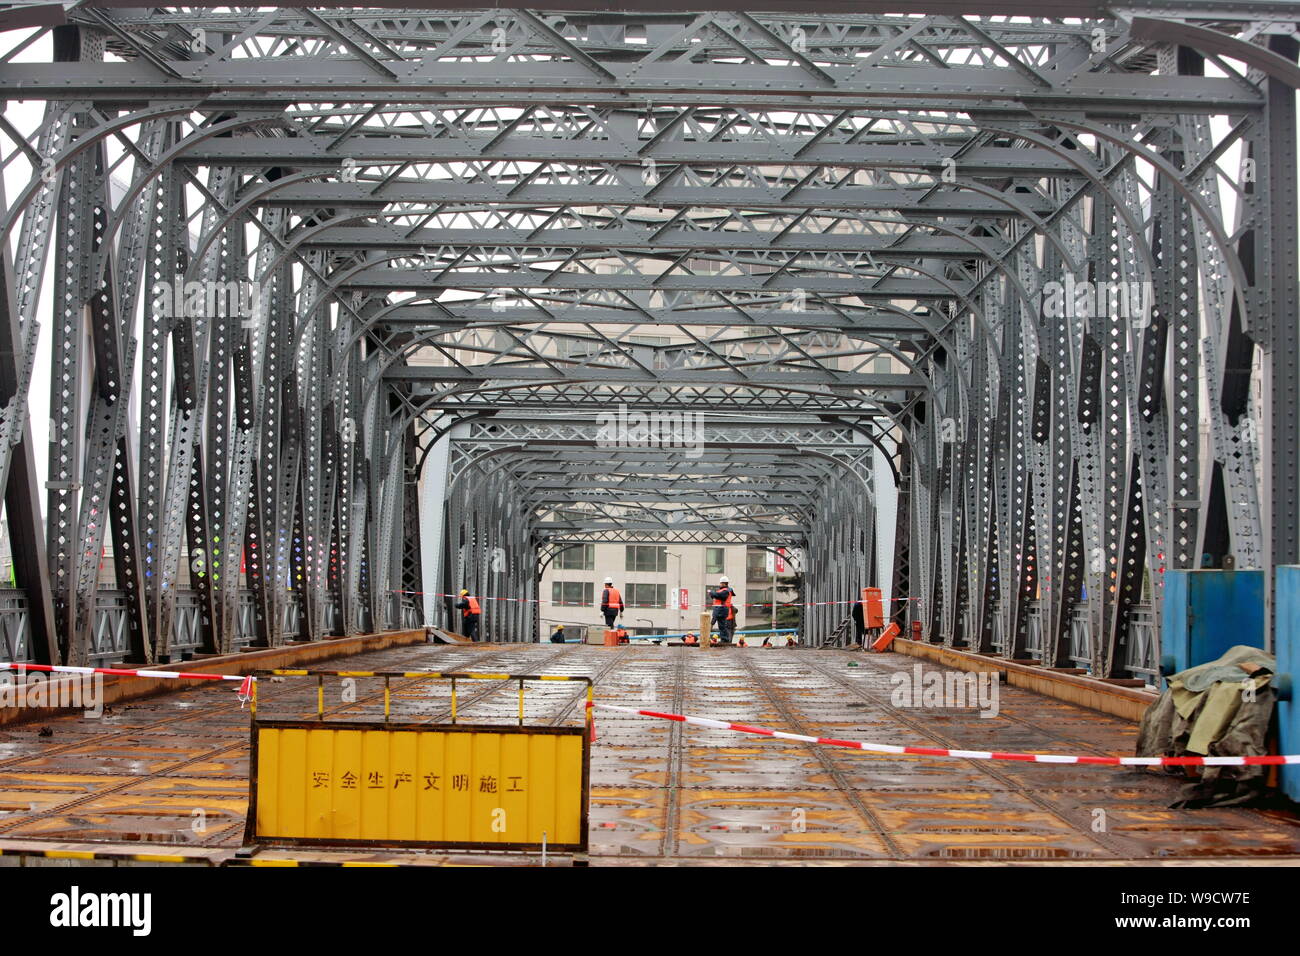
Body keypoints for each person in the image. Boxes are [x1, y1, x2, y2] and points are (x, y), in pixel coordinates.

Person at [709, 575, 737, 644]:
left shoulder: (726, 591)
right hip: (721, 609)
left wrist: (712, 593)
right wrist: (713, 594)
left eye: (721, 583)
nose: (720, 584)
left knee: (722, 625)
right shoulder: (725, 590)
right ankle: (724, 639)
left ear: (724, 583)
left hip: (721, 609)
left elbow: (719, 596)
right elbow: (716, 595)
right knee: (721, 625)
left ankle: (725, 639)